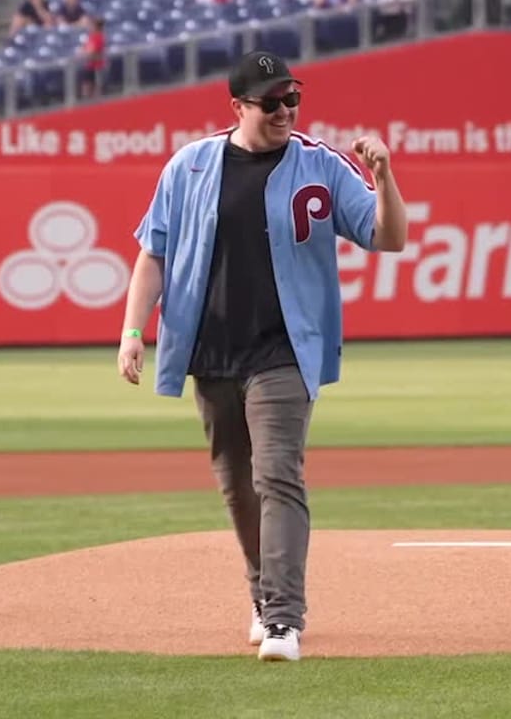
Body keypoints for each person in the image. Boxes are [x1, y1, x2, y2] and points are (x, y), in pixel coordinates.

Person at [115, 51, 409, 662]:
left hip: (284, 349)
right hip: (211, 350)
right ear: (238, 106)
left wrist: (383, 178)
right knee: (236, 485)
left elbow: (389, 236)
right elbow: (154, 253)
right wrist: (132, 330)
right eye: (271, 101)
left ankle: (282, 617)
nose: (284, 110)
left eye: (291, 98)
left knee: (277, 474)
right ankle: (261, 593)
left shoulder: (320, 164)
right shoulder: (191, 165)